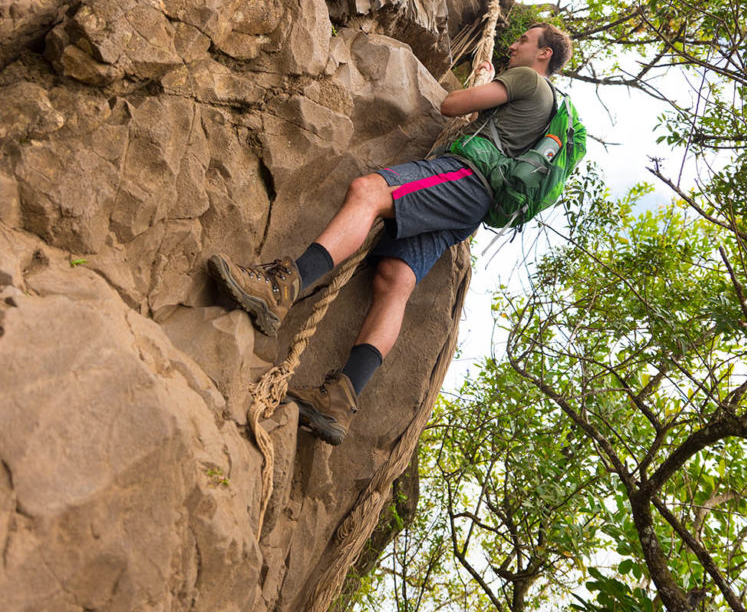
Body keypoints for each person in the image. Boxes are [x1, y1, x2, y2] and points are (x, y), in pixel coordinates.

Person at [209, 23, 573, 445]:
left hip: (464, 177)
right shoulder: (549, 107)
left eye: (525, 40)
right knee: (395, 280)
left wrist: (480, 83)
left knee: (369, 192)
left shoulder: (527, 79)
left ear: (544, 54)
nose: (514, 44)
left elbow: (454, 105)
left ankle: (281, 288)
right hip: (472, 208)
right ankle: (341, 399)